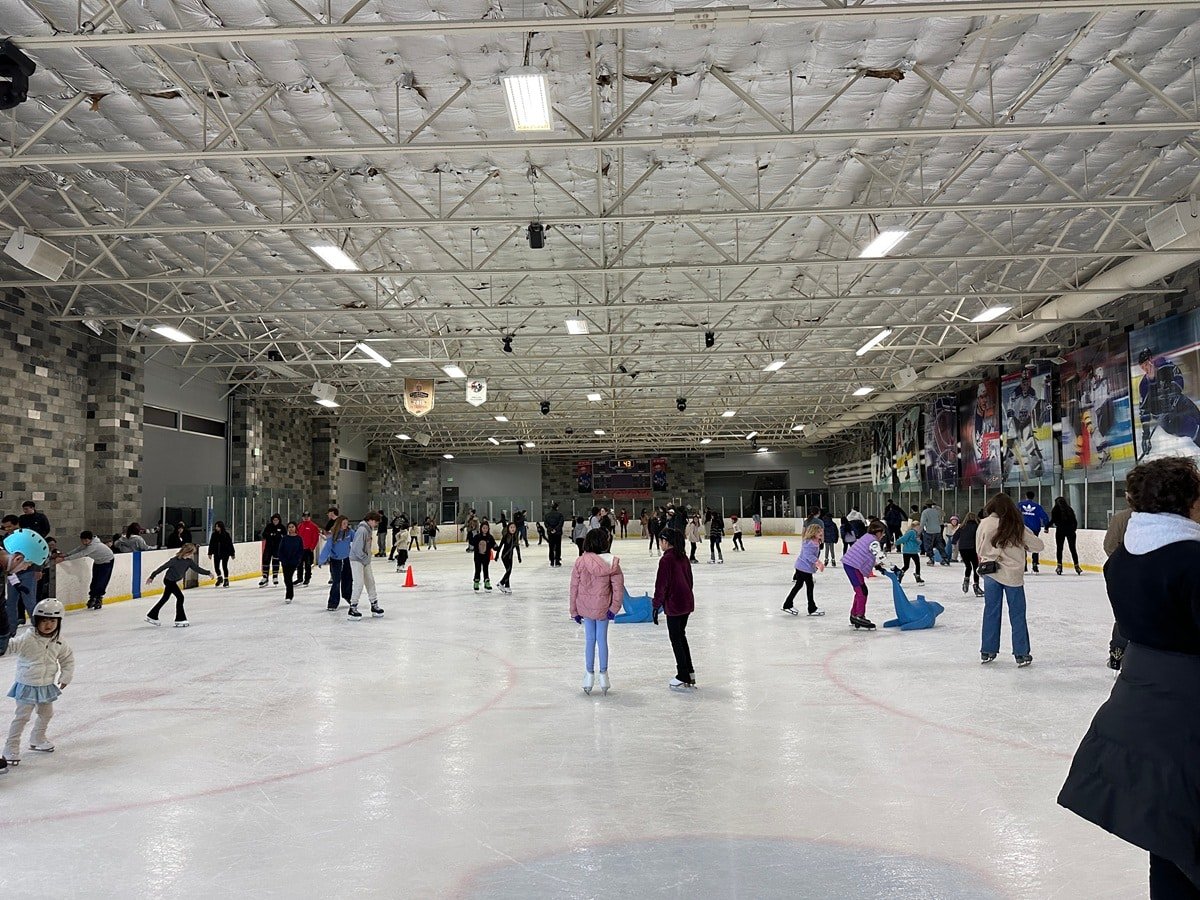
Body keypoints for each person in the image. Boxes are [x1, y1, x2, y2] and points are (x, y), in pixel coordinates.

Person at [1058, 456, 1200, 899]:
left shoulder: (1123, 561)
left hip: (1140, 706)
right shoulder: (1191, 560)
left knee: (1170, 833)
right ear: (1190, 502)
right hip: (1188, 713)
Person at [3, 599, 73, 768]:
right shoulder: (27, 639)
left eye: (52, 621)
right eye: (44, 621)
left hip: (46, 685)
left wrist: (65, 676)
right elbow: (9, 647)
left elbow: (67, 659)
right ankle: (10, 748)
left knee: (46, 714)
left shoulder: (60, 642)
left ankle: (38, 738)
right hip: (27, 685)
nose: (48, 625)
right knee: (22, 717)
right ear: (36, 621)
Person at [976, 493, 1043, 666]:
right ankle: (1021, 653)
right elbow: (1038, 546)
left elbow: (978, 547)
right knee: (1017, 614)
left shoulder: (985, 523)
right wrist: (1023, 544)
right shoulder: (1016, 526)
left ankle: (987, 650)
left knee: (991, 611)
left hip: (991, 572)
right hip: (1013, 575)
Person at [570, 528, 625, 695]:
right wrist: (614, 608)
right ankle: (604, 675)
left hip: (585, 607)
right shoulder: (612, 562)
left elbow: (574, 588)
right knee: (602, 640)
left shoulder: (580, 562)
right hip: (603, 608)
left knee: (589, 640)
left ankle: (588, 675)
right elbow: (618, 589)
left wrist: (574, 610)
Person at [652, 528, 696, 690]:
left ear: (665, 541)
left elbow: (661, 585)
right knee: (680, 637)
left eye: (660, 541)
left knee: (676, 639)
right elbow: (690, 581)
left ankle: (683, 674)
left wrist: (656, 605)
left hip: (675, 604)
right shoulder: (682, 557)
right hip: (686, 602)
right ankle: (689, 672)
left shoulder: (666, 560)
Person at [1136, 347, 1200, 453]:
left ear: (1151, 359)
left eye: (1146, 364)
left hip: (1180, 403)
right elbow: (1144, 412)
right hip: (1167, 418)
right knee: (1191, 427)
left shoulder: (1164, 365)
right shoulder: (1143, 385)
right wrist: (1145, 436)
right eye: (1142, 367)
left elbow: (1178, 376)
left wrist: (1172, 394)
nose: (1145, 368)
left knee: (1198, 419)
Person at [146, 543, 210, 627]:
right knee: (180, 597)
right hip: (169, 581)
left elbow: (197, 569)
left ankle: (152, 615)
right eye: (192, 553)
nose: (192, 555)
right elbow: (162, 567)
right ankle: (180, 619)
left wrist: (208, 573)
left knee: (165, 598)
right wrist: (152, 576)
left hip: (173, 581)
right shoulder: (174, 560)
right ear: (187, 552)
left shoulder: (189, 562)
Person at [842, 521, 889, 630]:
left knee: (860, 591)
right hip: (853, 566)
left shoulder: (867, 537)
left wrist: (878, 566)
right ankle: (859, 616)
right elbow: (880, 556)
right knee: (862, 591)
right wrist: (893, 568)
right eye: (883, 533)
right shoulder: (874, 541)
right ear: (878, 532)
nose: (883, 536)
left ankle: (854, 615)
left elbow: (868, 555)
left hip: (851, 565)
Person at [60, 530, 115, 609]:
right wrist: (66, 554)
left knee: (102, 580)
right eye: (83, 541)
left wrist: (65, 559)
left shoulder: (94, 545)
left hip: (107, 561)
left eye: (86, 540)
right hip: (98, 561)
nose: (84, 542)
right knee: (95, 580)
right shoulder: (87, 544)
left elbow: (82, 553)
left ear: (90, 539)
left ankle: (98, 598)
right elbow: (78, 549)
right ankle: (92, 597)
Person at [782, 523, 825, 616]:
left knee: (799, 585)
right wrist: (818, 563)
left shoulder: (815, 541)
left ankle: (787, 604)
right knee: (809, 586)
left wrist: (815, 565)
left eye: (821, 531)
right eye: (818, 532)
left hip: (802, 566)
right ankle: (812, 608)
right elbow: (808, 555)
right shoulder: (810, 543)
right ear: (813, 533)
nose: (821, 533)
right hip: (804, 568)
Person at [348, 512, 384, 620]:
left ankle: (374, 604)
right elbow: (357, 548)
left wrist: (367, 559)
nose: (376, 525)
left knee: (370, 582)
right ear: (371, 520)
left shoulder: (368, 529)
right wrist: (364, 558)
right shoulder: (362, 530)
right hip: (357, 560)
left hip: (365, 560)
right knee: (359, 583)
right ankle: (352, 607)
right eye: (376, 522)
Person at [319, 515, 354, 611]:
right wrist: (322, 560)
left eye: (347, 523)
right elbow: (327, 548)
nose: (346, 525)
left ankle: (348, 596)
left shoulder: (349, 532)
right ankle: (333, 602)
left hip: (346, 560)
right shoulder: (333, 534)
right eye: (344, 523)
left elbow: (357, 539)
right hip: (335, 561)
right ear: (339, 524)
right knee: (336, 581)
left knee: (348, 579)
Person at [1018, 491, 1051, 573]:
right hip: (1035, 528)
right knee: (1035, 545)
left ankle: (1024, 565)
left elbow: (1014, 513)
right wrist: (1046, 526)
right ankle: (1035, 563)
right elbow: (1044, 517)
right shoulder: (1037, 506)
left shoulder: (1020, 505)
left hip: (1023, 528)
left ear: (1026, 496)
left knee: (1022, 546)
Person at [1050, 497, 1082, 576]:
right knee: (1073, 549)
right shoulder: (1069, 509)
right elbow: (1075, 521)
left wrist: (1047, 527)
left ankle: (1059, 566)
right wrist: (1073, 529)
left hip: (1060, 531)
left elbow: (1053, 520)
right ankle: (1077, 566)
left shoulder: (1055, 510)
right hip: (1070, 531)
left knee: (1059, 549)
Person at [956, 512, 982, 597]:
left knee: (968, 566)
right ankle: (976, 586)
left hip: (963, 549)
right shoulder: (977, 526)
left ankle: (966, 580)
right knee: (975, 567)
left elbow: (955, 537)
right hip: (972, 548)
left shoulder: (962, 527)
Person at [278, 523, 304, 604]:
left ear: (295, 528)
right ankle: (290, 594)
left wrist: (297, 559)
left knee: (289, 577)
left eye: (292, 527)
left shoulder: (298, 538)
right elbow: (280, 550)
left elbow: (300, 550)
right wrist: (282, 559)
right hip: (285, 561)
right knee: (286, 579)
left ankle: (289, 595)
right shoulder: (285, 538)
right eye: (289, 527)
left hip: (294, 561)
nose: (291, 528)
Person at [893, 521, 925, 585]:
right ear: (915, 526)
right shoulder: (911, 532)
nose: (919, 528)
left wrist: (919, 542)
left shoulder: (915, 533)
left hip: (911, 551)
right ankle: (915, 575)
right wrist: (896, 543)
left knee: (909, 565)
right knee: (914, 565)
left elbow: (917, 542)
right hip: (910, 551)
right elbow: (903, 538)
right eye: (918, 527)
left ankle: (901, 573)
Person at [258, 514, 285, 587]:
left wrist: (278, 536)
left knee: (275, 561)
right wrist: (270, 535)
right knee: (266, 560)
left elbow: (284, 536)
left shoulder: (281, 527)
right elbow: (264, 534)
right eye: (274, 520)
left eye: (276, 520)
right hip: (268, 547)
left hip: (277, 547)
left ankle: (275, 576)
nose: (275, 521)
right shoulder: (269, 526)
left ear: (279, 520)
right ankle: (265, 577)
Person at [207, 521, 235, 588]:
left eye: (218, 526)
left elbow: (230, 544)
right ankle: (219, 577)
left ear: (221, 527)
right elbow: (211, 544)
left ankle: (226, 579)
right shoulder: (214, 535)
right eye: (216, 526)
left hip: (225, 553)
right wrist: (210, 553)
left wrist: (232, 553)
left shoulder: (226, 534)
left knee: (224, 566)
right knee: (216, 567)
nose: (216, 528)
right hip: (217, 553)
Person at [472, 521, 497, 592]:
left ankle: (487, 583)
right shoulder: (477, 537)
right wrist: (470, 534)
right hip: (477, 557)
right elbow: (472, 543)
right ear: (481, 528)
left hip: (486, 557)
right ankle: (476, 582)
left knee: (486, 569)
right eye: (483, 528)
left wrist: (497, 547)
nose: (485, 529)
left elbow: (494, 545)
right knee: (478, 569)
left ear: (488, 529)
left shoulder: (490, 537)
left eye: (486, 528)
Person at [297, 512, 320, 586]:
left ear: (310, 517)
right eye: (304, 516)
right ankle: (299, 578)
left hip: (308, 549)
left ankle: (307, 578)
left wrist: (312, 547)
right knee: (299, 564)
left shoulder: (313, 526)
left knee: (307, 565)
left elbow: (315, 538)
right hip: (300, 549)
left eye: (307, 516)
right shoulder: (300, 526)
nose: (306, 518)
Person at [496, 522, 520, 594]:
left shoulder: (515, 536)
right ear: (508, 528)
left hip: (510, 556)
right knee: (508, 570)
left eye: (514, 527)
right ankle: (501, 583)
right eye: (511, 527)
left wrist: (519, 556)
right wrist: (497, 555)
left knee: (508, 571)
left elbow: (517, 547)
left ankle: (507, 586)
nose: (513, 529)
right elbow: (500, 546)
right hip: (505, 556)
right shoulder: (506, 536)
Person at [544, 502, 565, 568]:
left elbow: (546, 524)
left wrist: (551, 529)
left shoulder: (547, 515)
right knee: (558, 547)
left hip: (550, 533)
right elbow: (561, 523)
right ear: (557, 507)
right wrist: (556, 529)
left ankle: (552, 561)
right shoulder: (560, 514)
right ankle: (557, 561)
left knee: (551, 547)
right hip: (558, 533)